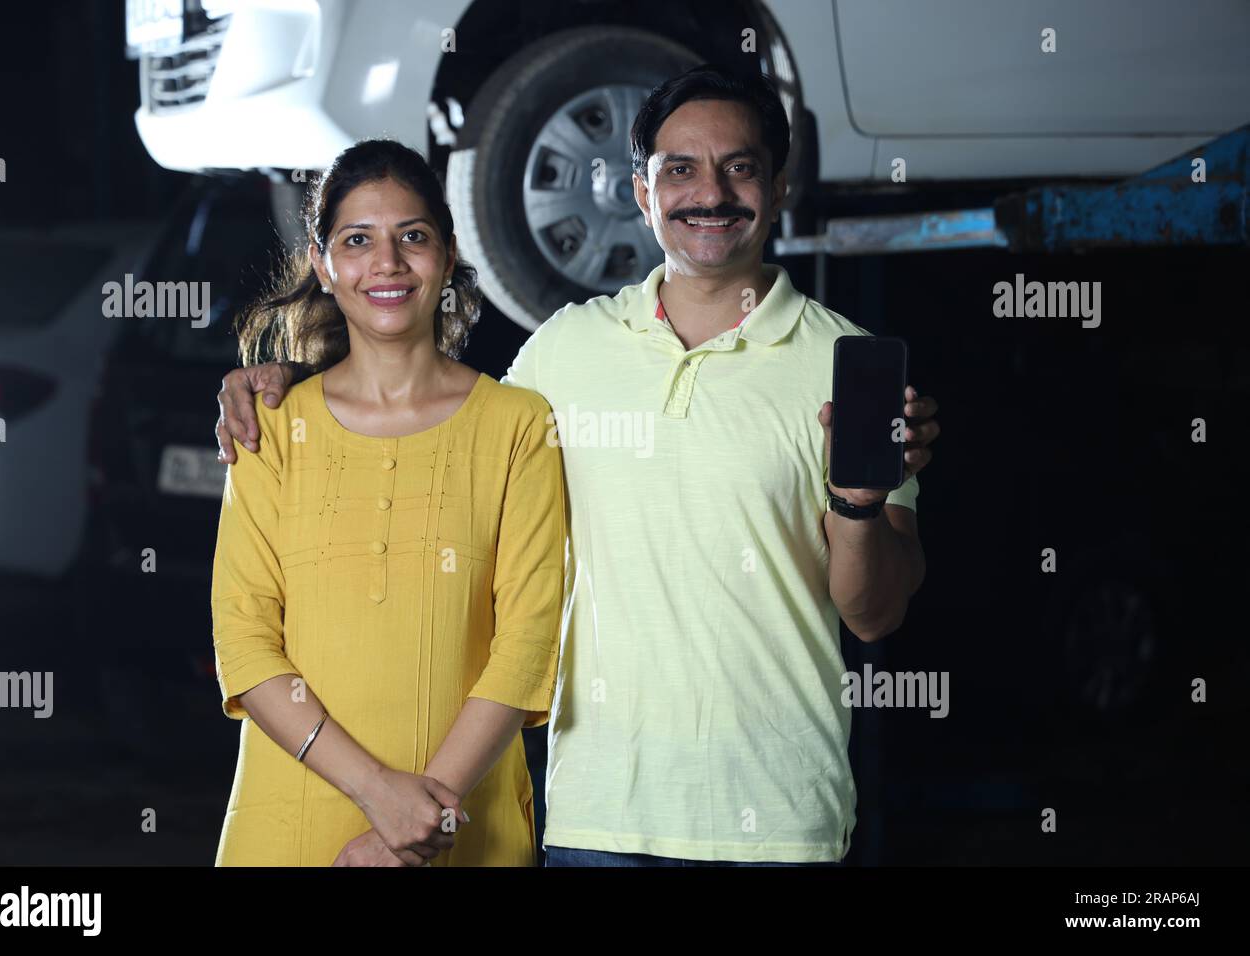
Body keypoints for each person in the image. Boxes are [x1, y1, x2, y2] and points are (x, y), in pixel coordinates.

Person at [216, 65, 940, 866]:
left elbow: (874, 615)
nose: (711, 193)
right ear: (641, 192)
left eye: (739, 167)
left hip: (777, 817)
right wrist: (289, 383)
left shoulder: (845, 366)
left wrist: (861, 506)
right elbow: (425, 407)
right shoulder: (568, 350)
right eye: (680, 170)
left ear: (777, 184)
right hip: (597, 820)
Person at [209, 138, 565, 867]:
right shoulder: (269, 425)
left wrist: (417, 817)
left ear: (447, 249)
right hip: (286, 828)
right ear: (323, 260)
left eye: (412, 236)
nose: (388, 263)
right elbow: (244, 643)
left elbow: (528, 645)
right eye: (358, 240)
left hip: (468, 829)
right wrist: (379, 793)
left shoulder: (519, 425)